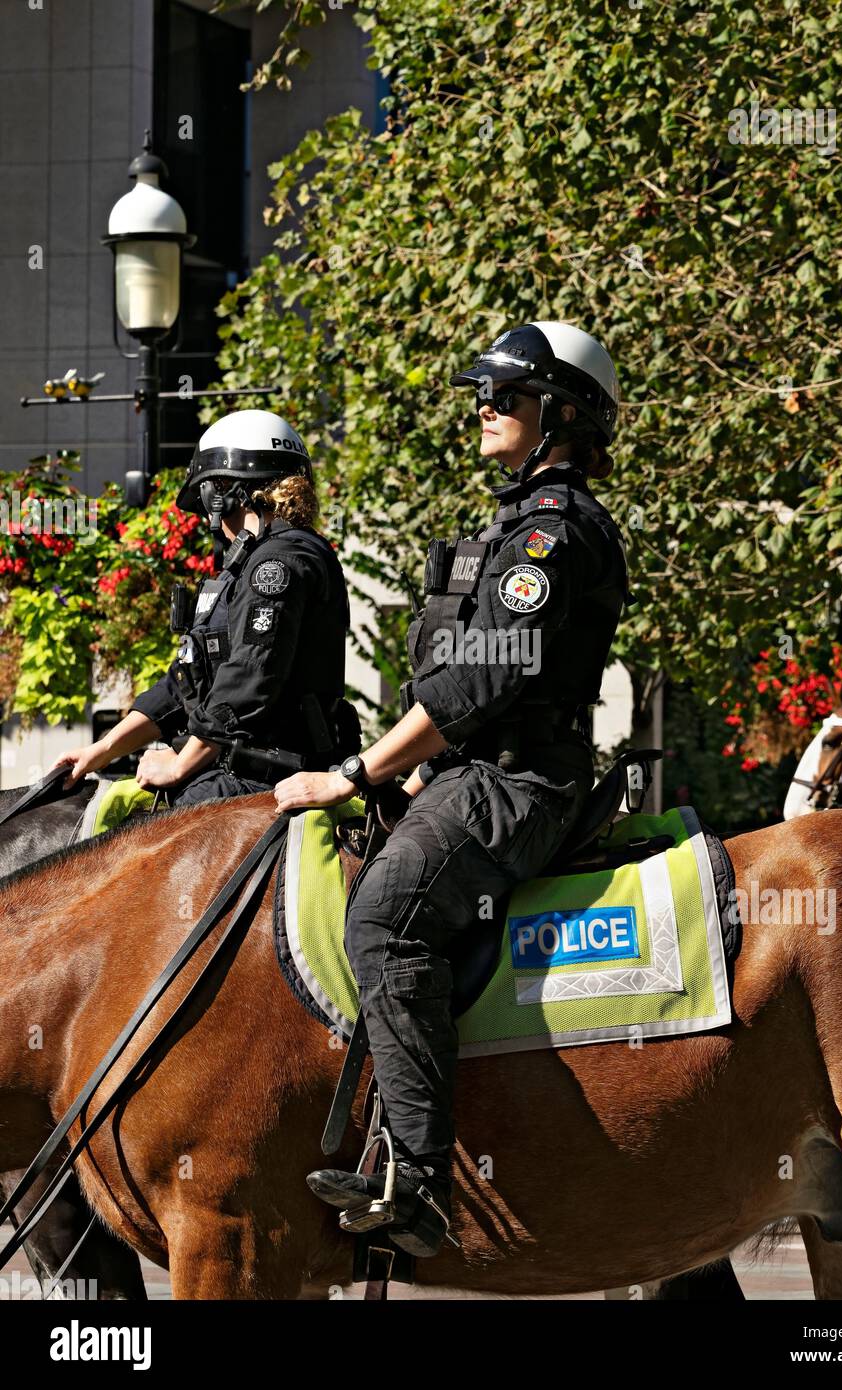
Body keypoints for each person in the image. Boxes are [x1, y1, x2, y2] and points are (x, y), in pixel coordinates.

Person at [274, 321, 629, 1258]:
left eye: (503, 397)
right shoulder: (516, 526)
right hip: (471, 775)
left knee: (384, 922)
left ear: (559, 415)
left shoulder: (555, 533)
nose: (481, 409)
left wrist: (355, 772)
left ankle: (419, 1183)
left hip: (517, 786)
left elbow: (482, 680)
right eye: (483, 395)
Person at [54, 409, 359, 805]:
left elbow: (251, 676)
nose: (209, 524)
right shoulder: (244, 570)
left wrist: (181, 763)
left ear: (225, 493)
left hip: (267, 781)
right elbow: (184, 682)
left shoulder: (279, 562)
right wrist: (103, 750)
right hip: (232, 772)